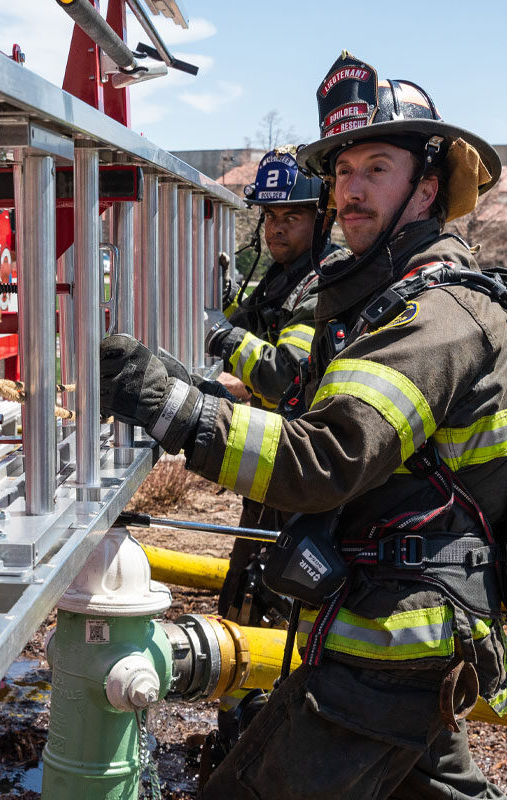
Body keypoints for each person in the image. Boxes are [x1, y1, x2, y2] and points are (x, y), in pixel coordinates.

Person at [100, 52, 507, 799]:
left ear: (428, 185)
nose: (350, 191)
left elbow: (322, 455)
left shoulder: (437, 318)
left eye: (376, 169)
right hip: (390, 630)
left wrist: (162, 399)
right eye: (345, 170)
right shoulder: (383, 296)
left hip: (389, 652)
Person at [206, 147, 334, 626]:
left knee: (274, 599)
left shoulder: (320, 285)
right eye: (271, 216)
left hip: (299, 476)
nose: (276, 228)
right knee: (242, 589)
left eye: (292, 216)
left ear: (321, 221)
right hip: (270, 468)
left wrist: (221, 332)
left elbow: (286, 376)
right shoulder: (283, 279)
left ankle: (261, 696)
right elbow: (247, 346)